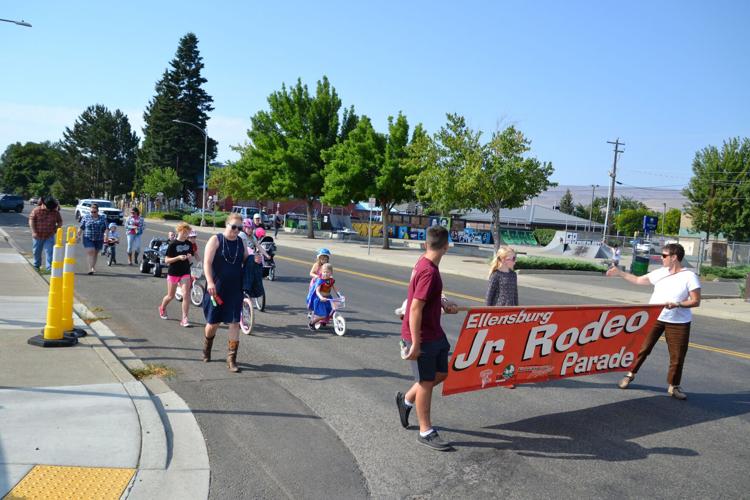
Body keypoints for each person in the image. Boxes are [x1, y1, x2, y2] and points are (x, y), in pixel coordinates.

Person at [606, 243, 701, 400]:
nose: (661, 258)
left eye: (664, 256)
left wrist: (677, 304)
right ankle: (629, 375)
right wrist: (619, 273)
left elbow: (696, 301)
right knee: (642, 348)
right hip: (655, 318)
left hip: (678, 322)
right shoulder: (660, 273)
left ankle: (674, 386)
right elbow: (638, 280)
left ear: (674, 257)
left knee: (677, 356)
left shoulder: (689, 276)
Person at [395, 225, 459, 451]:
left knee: (441, 373)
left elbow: (426, 296)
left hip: (434, 332)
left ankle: (406, 400)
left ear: (426, 244)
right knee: (426, 383)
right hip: (422, 335)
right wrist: (416, 343)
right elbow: (414, 309)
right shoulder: (429, 271)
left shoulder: (424, 263)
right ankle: (425, 431)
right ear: (446, 247)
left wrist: (443, 303)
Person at [202, 213, 248, 372]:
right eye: (233, 227)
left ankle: (231, 359)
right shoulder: (216, 240)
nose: (236, 230)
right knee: (212, 323)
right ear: (226, 225)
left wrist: (254, 260)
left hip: (235, 289)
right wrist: (209, 281)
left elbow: (245, 260)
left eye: (239, 228)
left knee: (235, 323)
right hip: (216, 289)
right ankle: (207, 347)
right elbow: (207, 262)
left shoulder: (241, 242)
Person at [159, 222, 194, 327]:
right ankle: (162, 307)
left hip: (185, 271)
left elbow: (190, 255)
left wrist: (188, 256)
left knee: (186, 295)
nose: (186, 234)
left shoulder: (189, 244)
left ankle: (184, 318)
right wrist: (178, 258)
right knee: (171, 296)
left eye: (188, 232)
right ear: (179, 231)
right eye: (184, 232)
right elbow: (166, 260)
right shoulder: (173, 244)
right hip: (173, 272)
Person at [28, 196, 63, 272]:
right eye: (49, 207)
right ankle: (37, 265)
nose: (50, 209)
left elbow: (60, 221)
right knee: (36, 251)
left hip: (49, 235)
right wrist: (34, 232)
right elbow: (31, 221)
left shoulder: (55, 212)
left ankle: (49, 268)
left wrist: (56, 229)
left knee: (50, 252)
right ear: (44, 204)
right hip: (37, 235)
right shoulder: (36, 210)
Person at [306, 263, 340, 329]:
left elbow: (335, 288)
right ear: (322, 272)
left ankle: (324, 321)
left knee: (331, 311)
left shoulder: (331, 280)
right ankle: (312, 323)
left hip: (328, 298)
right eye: (324, 272)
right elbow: (317, 291)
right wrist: (321, 297)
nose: (325, 273)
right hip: (320, 299)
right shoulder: (320, 280)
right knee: (323, 315)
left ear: (331, 273)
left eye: (327, 272)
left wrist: (339, 295)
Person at [78, 203, 107, 275]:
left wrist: (106, 235)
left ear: (98, 211)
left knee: (95, 253)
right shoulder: (86, 217)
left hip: (99, 238)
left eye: (94, 212)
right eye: (92, 212)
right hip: (88, 237)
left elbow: (106, 228)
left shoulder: (103, 218)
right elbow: (81, 227)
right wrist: (78, 235)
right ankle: (90, 268)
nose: (93, 213)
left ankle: (93, 266)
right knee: (91, 251)